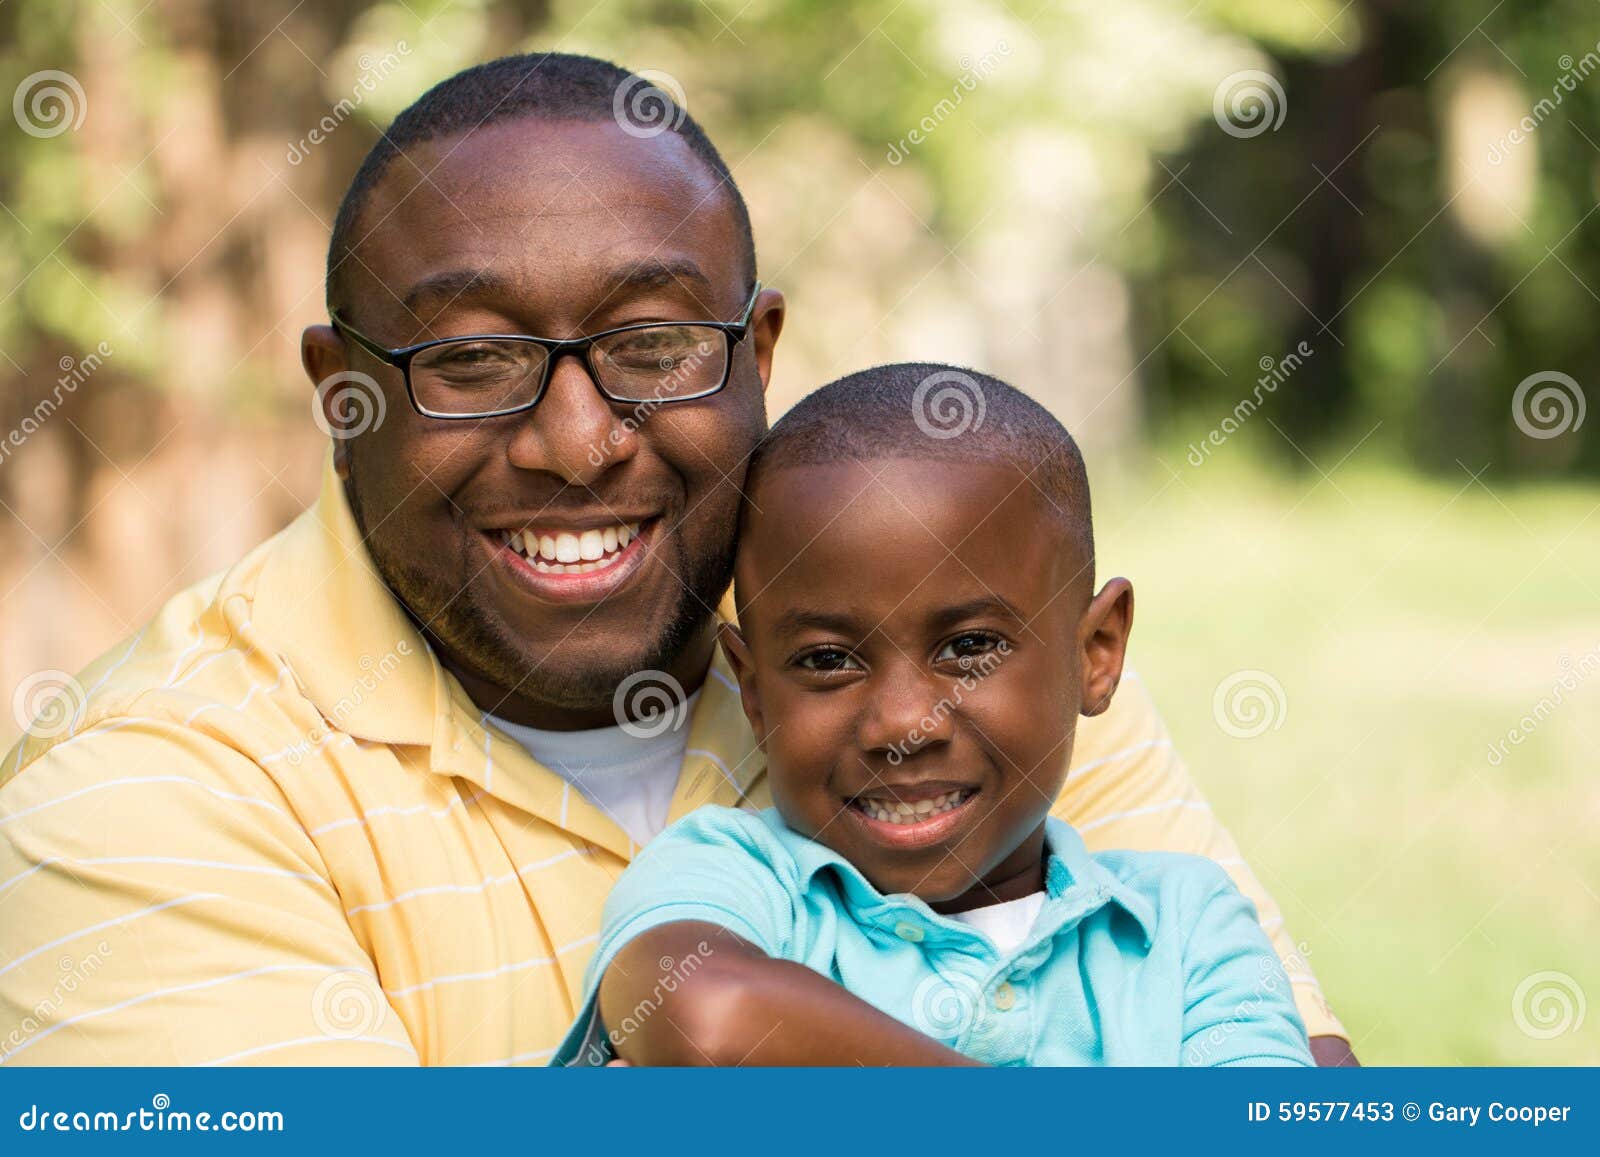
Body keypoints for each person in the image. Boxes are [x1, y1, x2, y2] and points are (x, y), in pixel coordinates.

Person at [0, 53, 1350, 1066]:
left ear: (756, 356)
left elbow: (1298, 1081)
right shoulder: (139, 794)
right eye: (472, 361)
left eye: (652, 348)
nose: (578, 444)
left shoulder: (959, 652)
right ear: (343, 392)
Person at [554, 365, 1313, 1067]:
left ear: (1097, 650)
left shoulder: (1186, 927)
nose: (902, 722)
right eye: (826, 659)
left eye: (970, 646)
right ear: (753, 691)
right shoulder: (738, 878)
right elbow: (708, 1012)